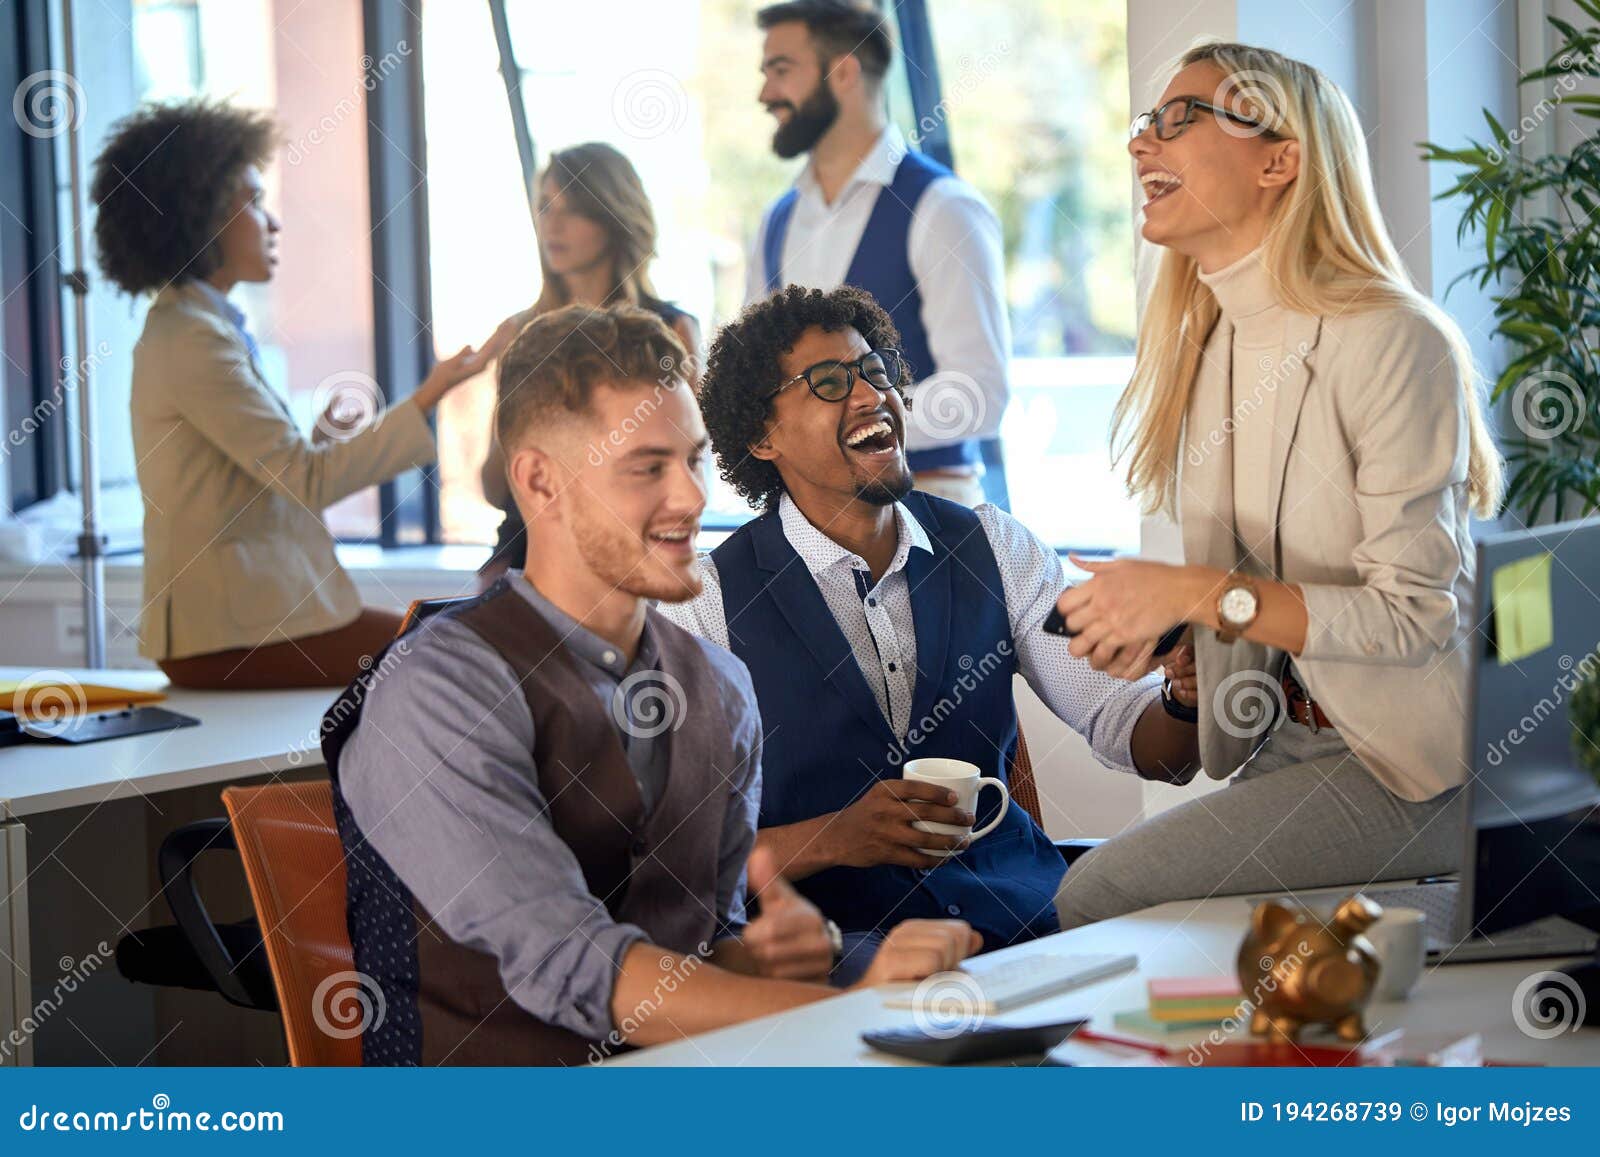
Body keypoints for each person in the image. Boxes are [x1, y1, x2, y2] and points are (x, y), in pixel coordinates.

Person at [325, 304, 979, 1065]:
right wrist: (846, 1005)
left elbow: (699, 955)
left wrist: (789, 958)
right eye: (648, 467)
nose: (694, 498)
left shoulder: (720, 687)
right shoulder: (436, 690)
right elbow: (574, 967)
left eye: (695, 460)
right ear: (538, 482)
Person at [1051, 41, 1504, 928]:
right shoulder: (1209, 339)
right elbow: (1261, 601)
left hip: (1408, 766)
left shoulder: (1390, 339)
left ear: (1279, 160)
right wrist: (1185, 637)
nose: (1144, 146)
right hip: (1284, 738)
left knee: (1096, 893)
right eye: (1147, 124)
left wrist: (1203, 593)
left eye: (1181, 120)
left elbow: (1415, 617)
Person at [657, 284, 1199, 981]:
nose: (868, 395)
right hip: (835, 966)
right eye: (827, 382)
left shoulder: (995, 547)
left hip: (1023, 933)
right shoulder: (705, 604)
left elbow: (1150, 745)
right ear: (762, 436)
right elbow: (680, 855)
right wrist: (835, 838)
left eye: (876, 370)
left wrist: (1183, 694)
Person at [93, 99, 513, 689]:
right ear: (203, 217)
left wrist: (319, 439)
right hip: (223, 632)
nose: (273, 222)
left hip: (239, 623)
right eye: (254, 202)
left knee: (445, 650)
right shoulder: (191, 339)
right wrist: (431, 394)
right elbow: (308, 479)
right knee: (445, 658)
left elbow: (269, 477)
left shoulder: (197, 326)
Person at [748, 0, 1009, 508]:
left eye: (781, 71)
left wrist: (841, 422)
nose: (765, 94)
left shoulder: (941, 207)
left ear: (843, 71)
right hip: (806, 514)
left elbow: (981, 394)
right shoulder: (775, 222)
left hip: (928, 508)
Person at [478, 143, 702, 588]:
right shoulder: (520, 334)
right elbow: (495, 488)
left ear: (612, 215)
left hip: (638, 542)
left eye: (572, 209)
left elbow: (682, 466)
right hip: (528, 554)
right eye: (544, 207)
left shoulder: (672, 331)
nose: (552, 224)